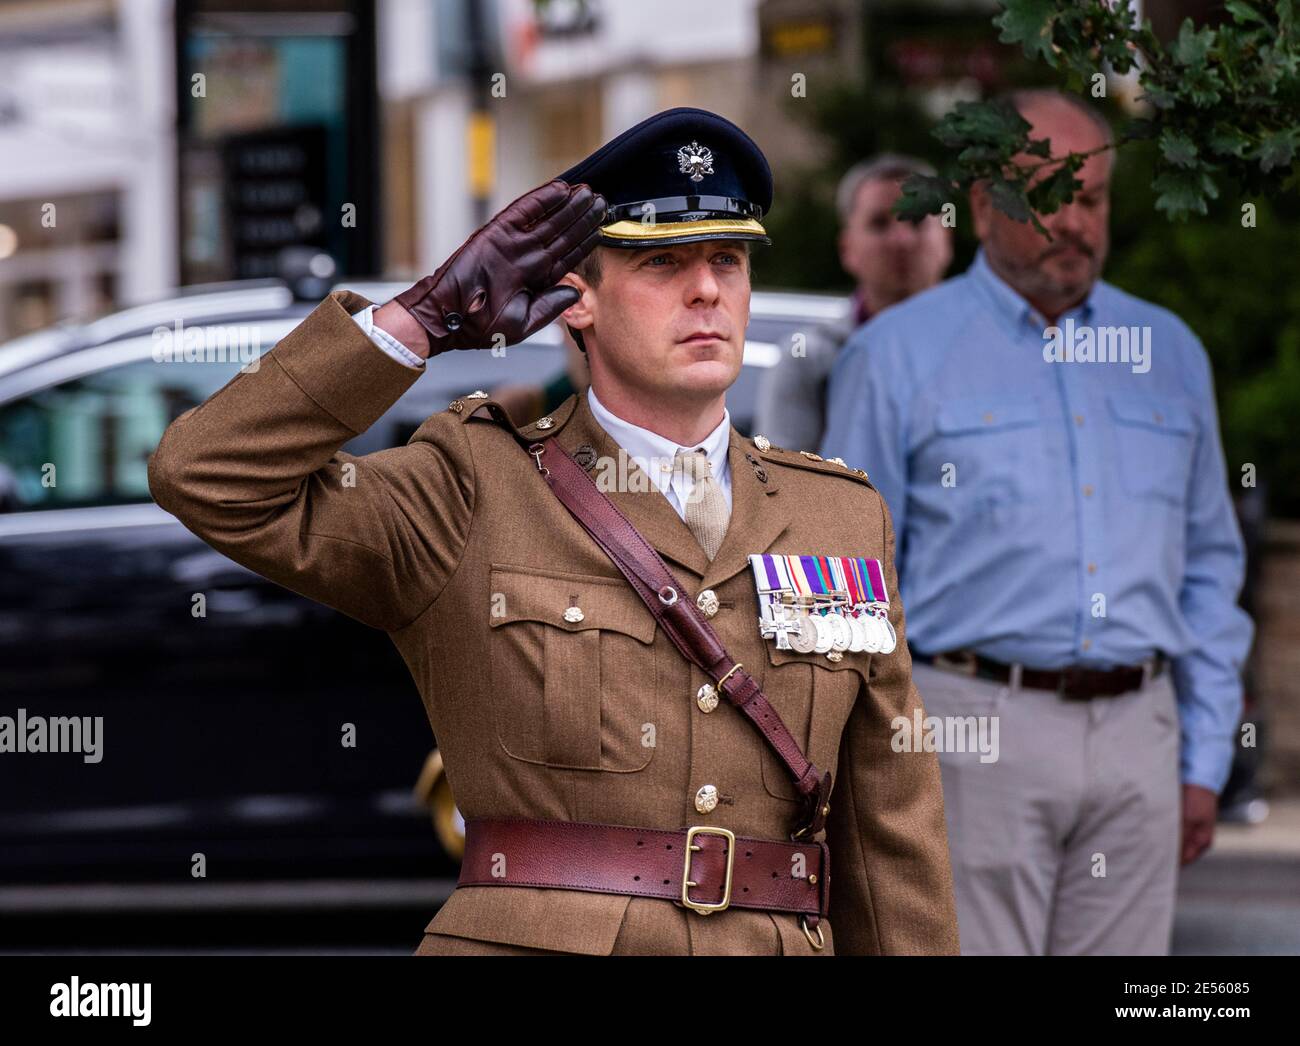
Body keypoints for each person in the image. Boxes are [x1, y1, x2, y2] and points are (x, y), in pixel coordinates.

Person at [148, 107, 959, 956]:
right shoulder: (469, 486)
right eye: (662, 263)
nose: (708, 289)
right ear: (578, 300)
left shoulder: (839, 515)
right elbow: (205, 474)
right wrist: (420, 320)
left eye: (727, 259)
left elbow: (889, 836)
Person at [820, 89, 1254, 955]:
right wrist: (858, 771)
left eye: (1092, 198)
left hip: (1141, 732)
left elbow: (1209, 564)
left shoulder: (1168, 352)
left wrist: (1206, 754)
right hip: (966, 727)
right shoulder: (894, 355)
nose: (1076, 221)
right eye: (1050, 195)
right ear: (983, 205)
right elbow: (845, 582)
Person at [754, 154, 952, 451]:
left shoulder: (991, 351)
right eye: (879, 223)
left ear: (946, 238)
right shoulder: (810, 362)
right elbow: (782, 489)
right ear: (847, 248)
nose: (901, 240)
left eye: (916, 220)